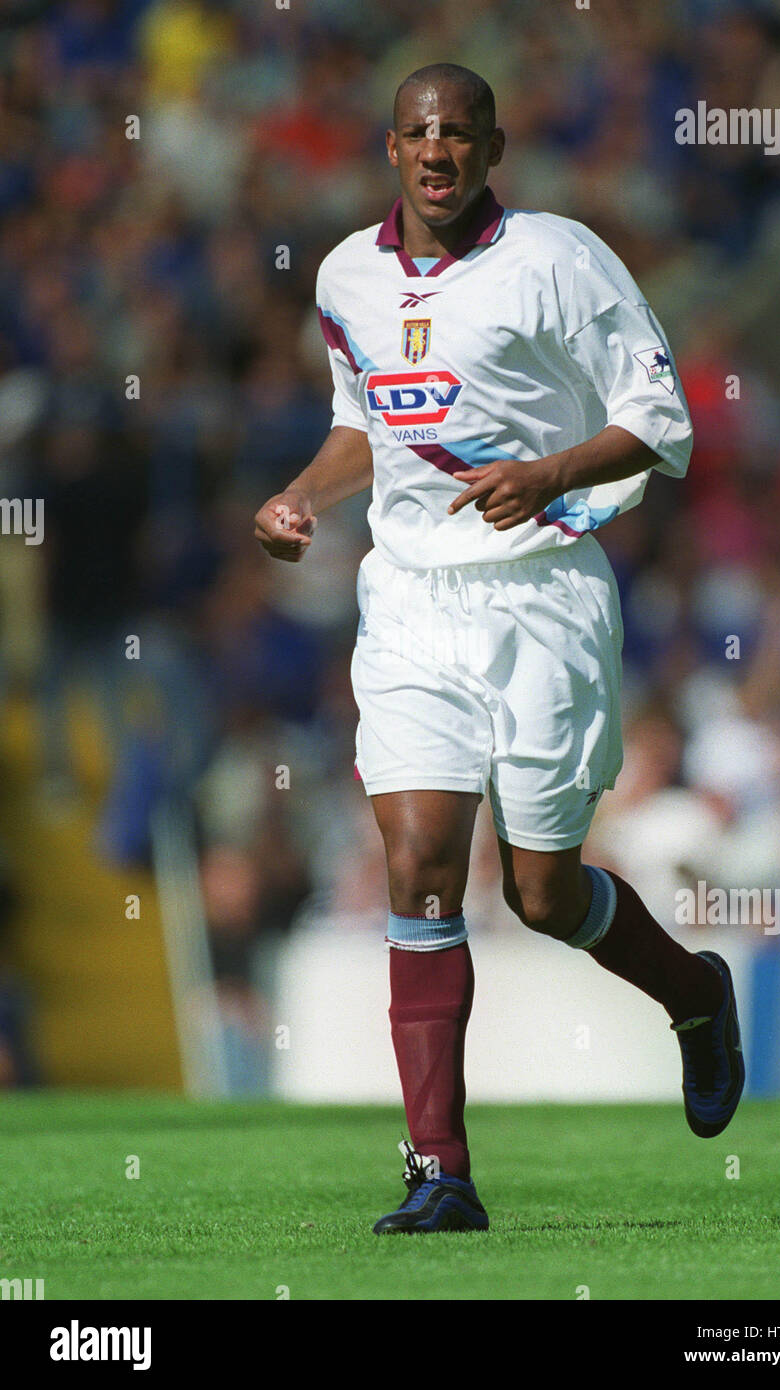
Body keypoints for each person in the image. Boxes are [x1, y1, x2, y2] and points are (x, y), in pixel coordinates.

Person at [254, 63, 744, 1234]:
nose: (438, 151)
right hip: (411, 599)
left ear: (492, 148)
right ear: (389, 147)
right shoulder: (344, 277)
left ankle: (690, 992)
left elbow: (658, 420)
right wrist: (300, 496)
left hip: (539, 599)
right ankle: (439, 1173)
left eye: (459, 134)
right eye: (419, 132)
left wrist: (550, 472)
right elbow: (359, 423)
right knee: (419, 862)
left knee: (538, 890)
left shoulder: (558, 258)